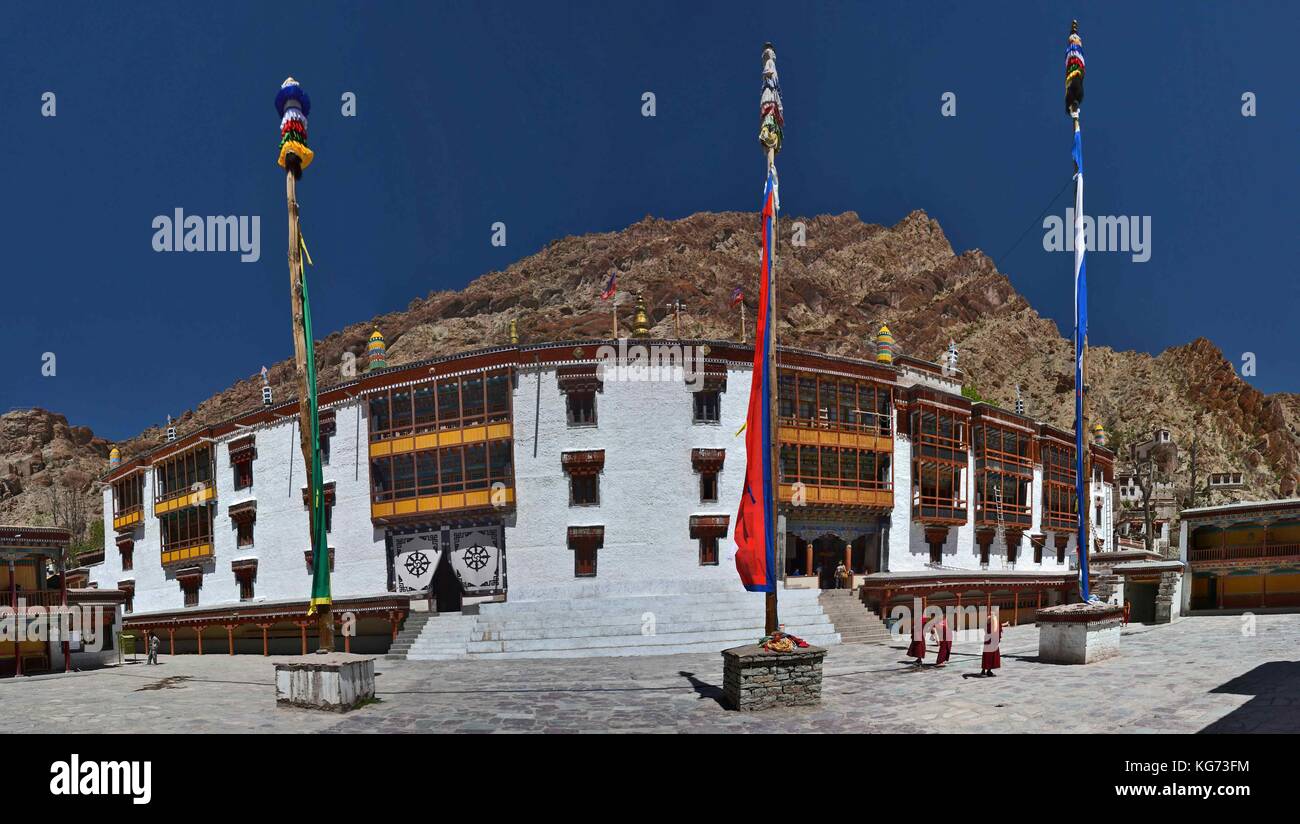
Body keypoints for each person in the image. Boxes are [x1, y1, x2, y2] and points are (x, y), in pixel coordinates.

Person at [981, 609, 1002, 677]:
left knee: (986, 655)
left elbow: (985, 628)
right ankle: (989, 671)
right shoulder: (994, 620)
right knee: (991, 655)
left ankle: (983, 670)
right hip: (992, 641)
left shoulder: (988, 620)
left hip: (987, 640)